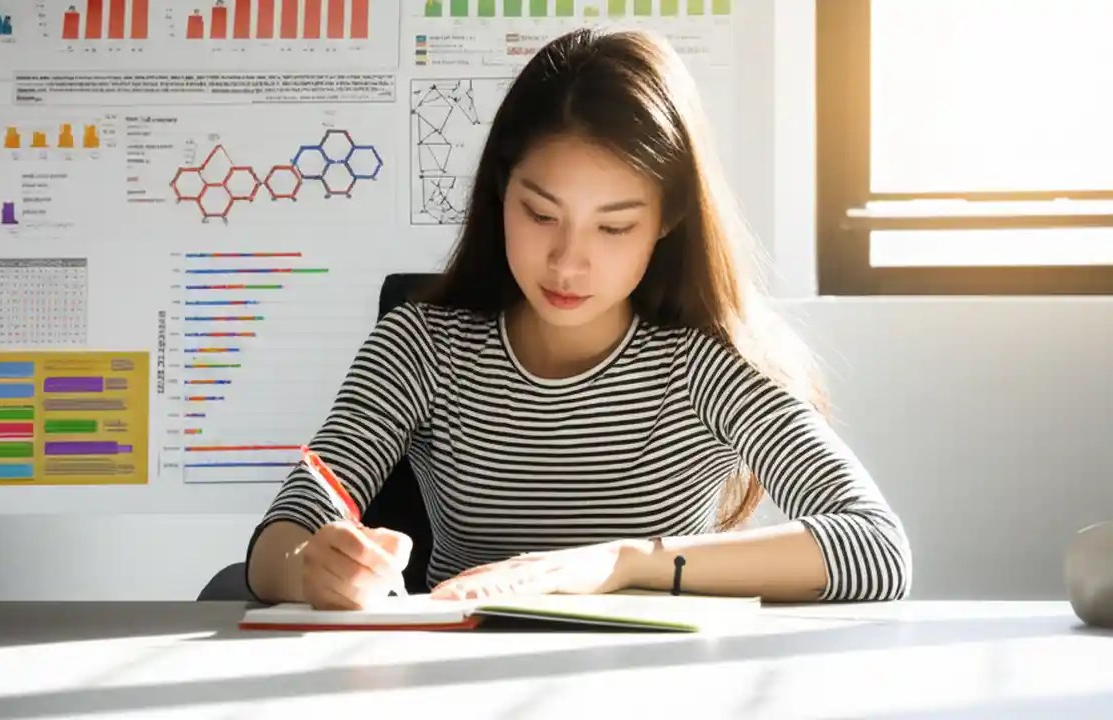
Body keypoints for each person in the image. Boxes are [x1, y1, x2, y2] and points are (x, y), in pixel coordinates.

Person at [248, 27, 912, 610]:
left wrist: (620, 564)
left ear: (667, 222)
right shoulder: (421, 346)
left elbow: (877, 547)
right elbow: (281, 536)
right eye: (540, 215)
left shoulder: (709, 361)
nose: (568, 263)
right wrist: (311, 569)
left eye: (614, 227)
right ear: (499, 192)